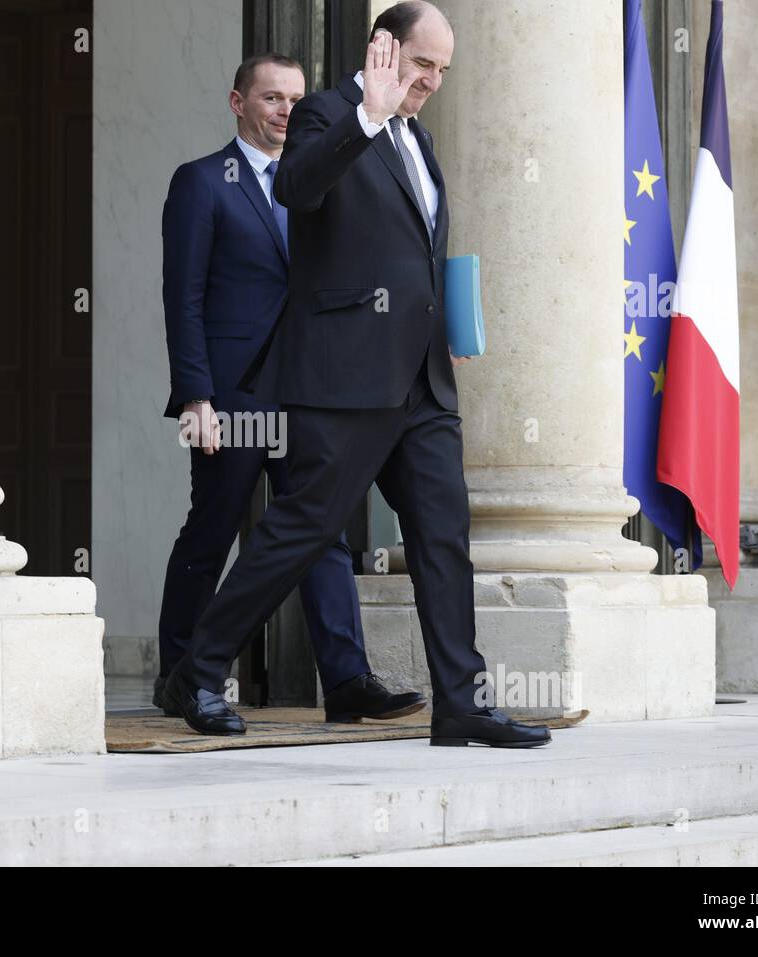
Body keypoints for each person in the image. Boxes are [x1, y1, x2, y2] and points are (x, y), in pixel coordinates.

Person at [162, 2, 551, 748]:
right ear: (383, 50)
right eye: (422, 65)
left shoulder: (421, 139)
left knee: (443, 535)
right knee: (303, 530)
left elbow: (414, 253)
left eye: (443, 70)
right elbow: (297, 189)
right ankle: (199, 669)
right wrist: (365, 118)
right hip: (342, 378)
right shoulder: (326, 116)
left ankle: (460, 701)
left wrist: (449, 318)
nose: (433, 81)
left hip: (423, 380)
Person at [156, 53, 427, 726]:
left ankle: (345, 681)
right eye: (271, 98)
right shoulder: (201, 183)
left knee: (322, 530)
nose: (285, 110)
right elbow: (182, 299)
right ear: (237, 102)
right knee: (213, 529)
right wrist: (197, 397)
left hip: (311, 387)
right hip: (235, 395)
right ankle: (182, 675)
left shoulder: (323, 180)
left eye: (295, 99)